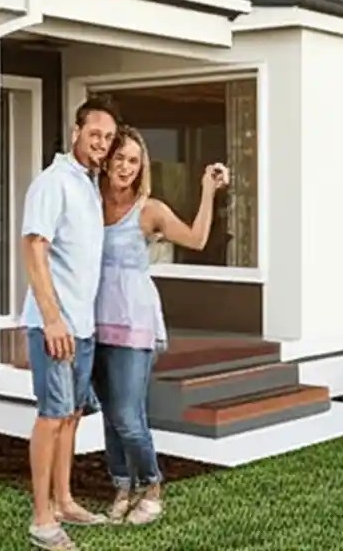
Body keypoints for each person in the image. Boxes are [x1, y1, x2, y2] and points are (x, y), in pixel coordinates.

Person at [91, 125, 229, 526]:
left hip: (135, 323)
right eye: (119, 158)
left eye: (133, 160)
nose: (126, 167)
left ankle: (151, 486)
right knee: (110, 416)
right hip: (94, 322)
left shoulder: (149, 210)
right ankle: (121, 487)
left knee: (129, 416)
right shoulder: (90, 202)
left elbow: (197, 239)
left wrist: (207, 190)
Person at [19, 95, 121, 550]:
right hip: (54, 325)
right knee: (52, 416)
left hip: (83, 326)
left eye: (108, 138)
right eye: (94, 134)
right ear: (76, 131)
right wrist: (52, 318)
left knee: (73, 416)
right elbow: (34, 248)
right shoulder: (54, 182)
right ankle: (42, 519)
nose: (101, 143)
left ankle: (64, 500)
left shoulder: (86, 183)